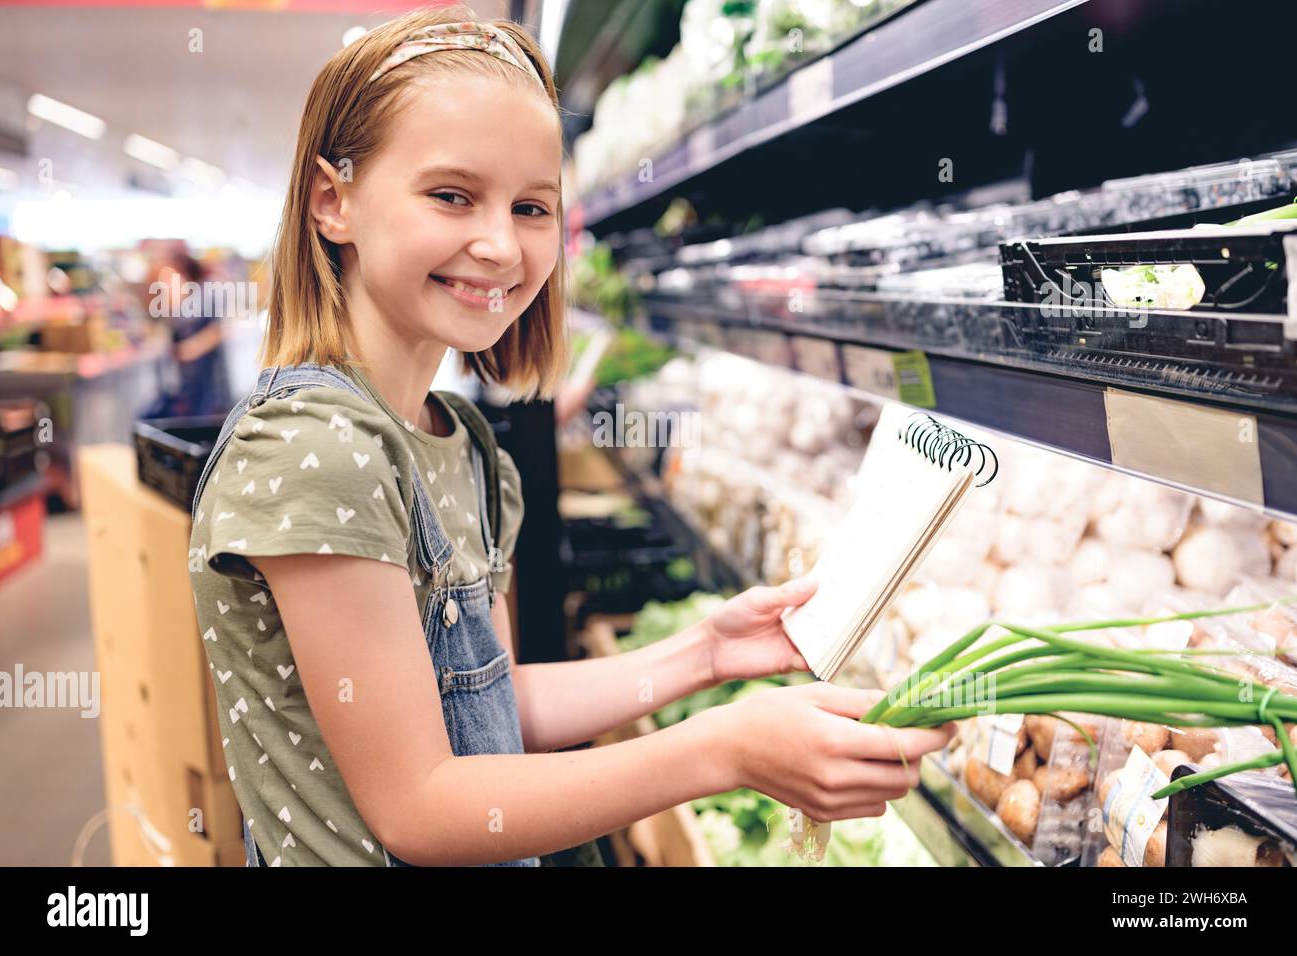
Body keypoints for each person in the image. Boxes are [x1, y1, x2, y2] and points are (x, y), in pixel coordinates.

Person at [187, 5, 953, 868]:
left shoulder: (463, 442)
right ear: (335, 201)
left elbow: (489, 705)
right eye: (451, 195)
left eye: (531, 207)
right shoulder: (315, 452)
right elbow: (421, 806)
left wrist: (705, 654)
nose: (499, 244)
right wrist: (722, 750)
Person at [147, 245, 233, 418]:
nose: (165, 283)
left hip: (208, 384)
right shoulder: (181, 301)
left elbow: (219, 330)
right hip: (187, 386)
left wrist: (189, 350)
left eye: (169, 276)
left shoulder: (207, 293)